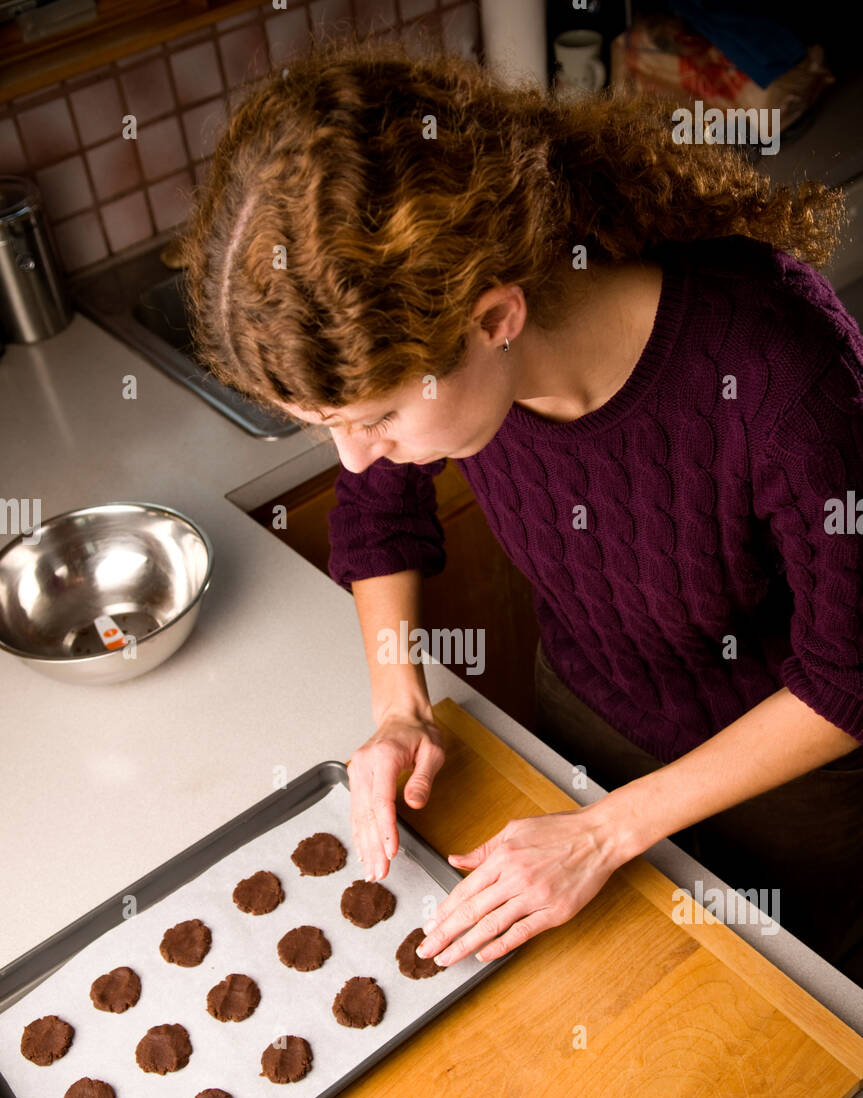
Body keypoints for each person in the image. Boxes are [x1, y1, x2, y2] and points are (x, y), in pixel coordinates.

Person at [182, 35, 863, 983]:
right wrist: (397, 707)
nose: (356, 454)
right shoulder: (448, 370)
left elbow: (850, 675)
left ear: (496, 319)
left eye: (375, 417)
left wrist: (604, 835)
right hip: (576, 730)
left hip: (787, 800)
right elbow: (379, 511)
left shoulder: (779, 370)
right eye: (329, 427)